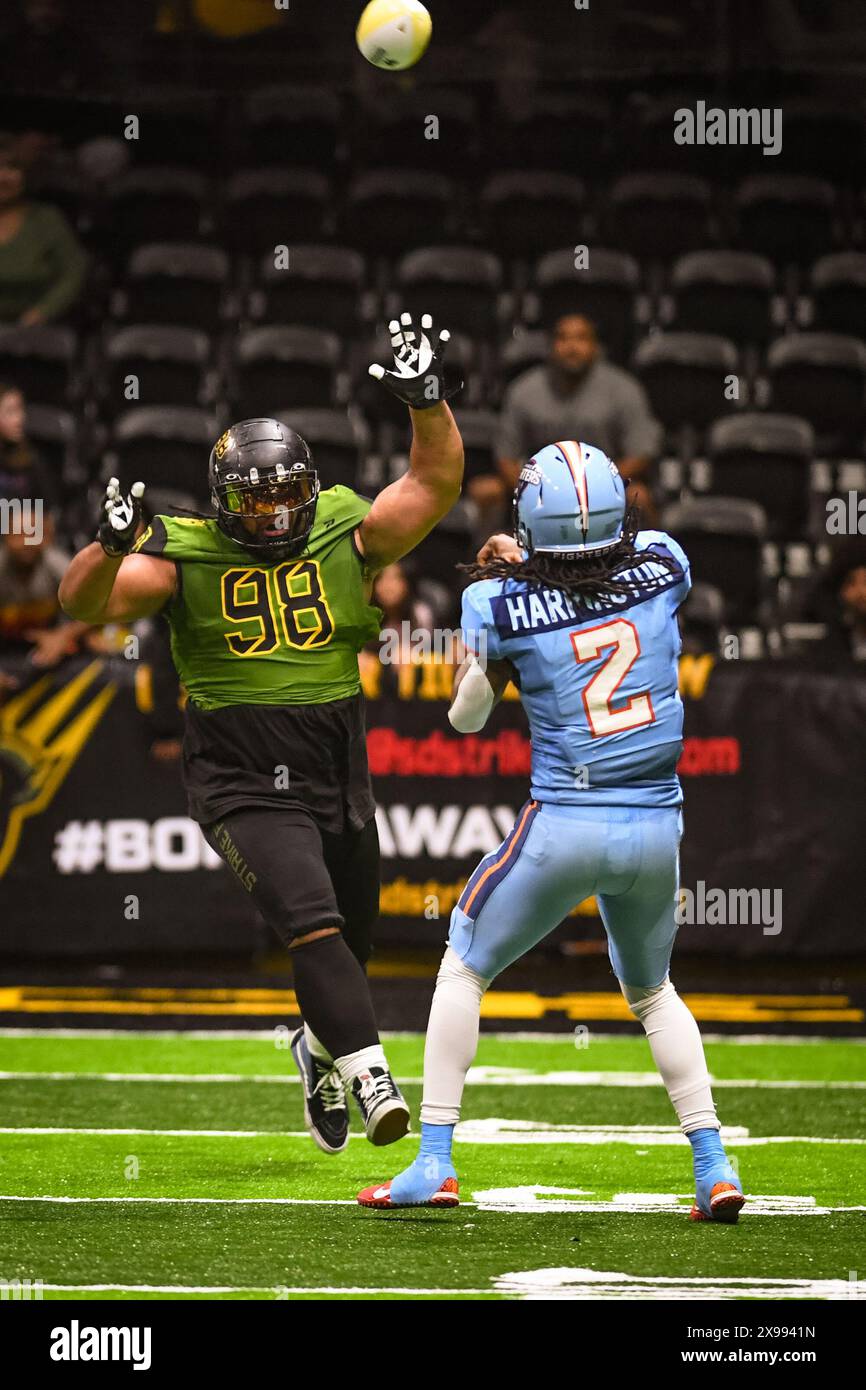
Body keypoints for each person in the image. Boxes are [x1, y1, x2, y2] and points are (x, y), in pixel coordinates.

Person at [59, 313, 464, 1154]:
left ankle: (314, 1045)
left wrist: (427, 400)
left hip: (336, 757)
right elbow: (82, 603)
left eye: (289, 495)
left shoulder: (341, 527)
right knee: (313, 924)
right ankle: (371, 1074)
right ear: (223, 502)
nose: (278, 514)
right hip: (240, 771)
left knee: (354, 937)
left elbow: (433, 487)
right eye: (259, 498)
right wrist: (104, 548)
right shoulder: (184, 551)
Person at [358, 439, 745, 1224]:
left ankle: (434, 1160)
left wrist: (502, 620)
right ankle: (714, 1166)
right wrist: (538, 572)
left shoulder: (496, 601)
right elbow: (606, 573)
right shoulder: (666, 560)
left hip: (567, 819)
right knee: (653, 992)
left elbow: (465, 721)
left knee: (464, 962)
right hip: (656, 825)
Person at [497, 314, 661, 520]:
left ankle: (651, 552)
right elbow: (506, 457)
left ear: (596, 346)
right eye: (563, 339)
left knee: (640, 496)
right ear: (551, 346)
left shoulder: (624, 388)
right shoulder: (524, 390)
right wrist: (528, 491)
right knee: (486, 492)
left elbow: (641, 453)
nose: (572, 347)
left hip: (605, 488)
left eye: (581, 338)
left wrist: (594, 486)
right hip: (540, 489)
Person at [0, 142, 87, 326]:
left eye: (12, 168)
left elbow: (74, 272)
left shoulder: (47, 219)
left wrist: (42, 312)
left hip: (35, 330)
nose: (4, 177)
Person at [0, 382, 59, 511]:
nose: (19, 419)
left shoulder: (33, 461)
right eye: (10, 411)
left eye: (20, 409)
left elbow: (50, 512)